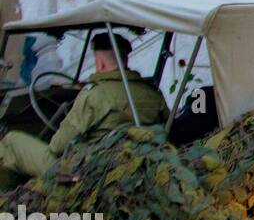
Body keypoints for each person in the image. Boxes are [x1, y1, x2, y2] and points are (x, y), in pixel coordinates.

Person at [0, 33, 166, 190]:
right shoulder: (152, 93)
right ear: (125, 60)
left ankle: (6, 201)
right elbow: (166, 128)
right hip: (129, 164)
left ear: (100, 63)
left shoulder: (94, 94)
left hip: (84, 173)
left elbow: (58, 146)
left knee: (11, 142)